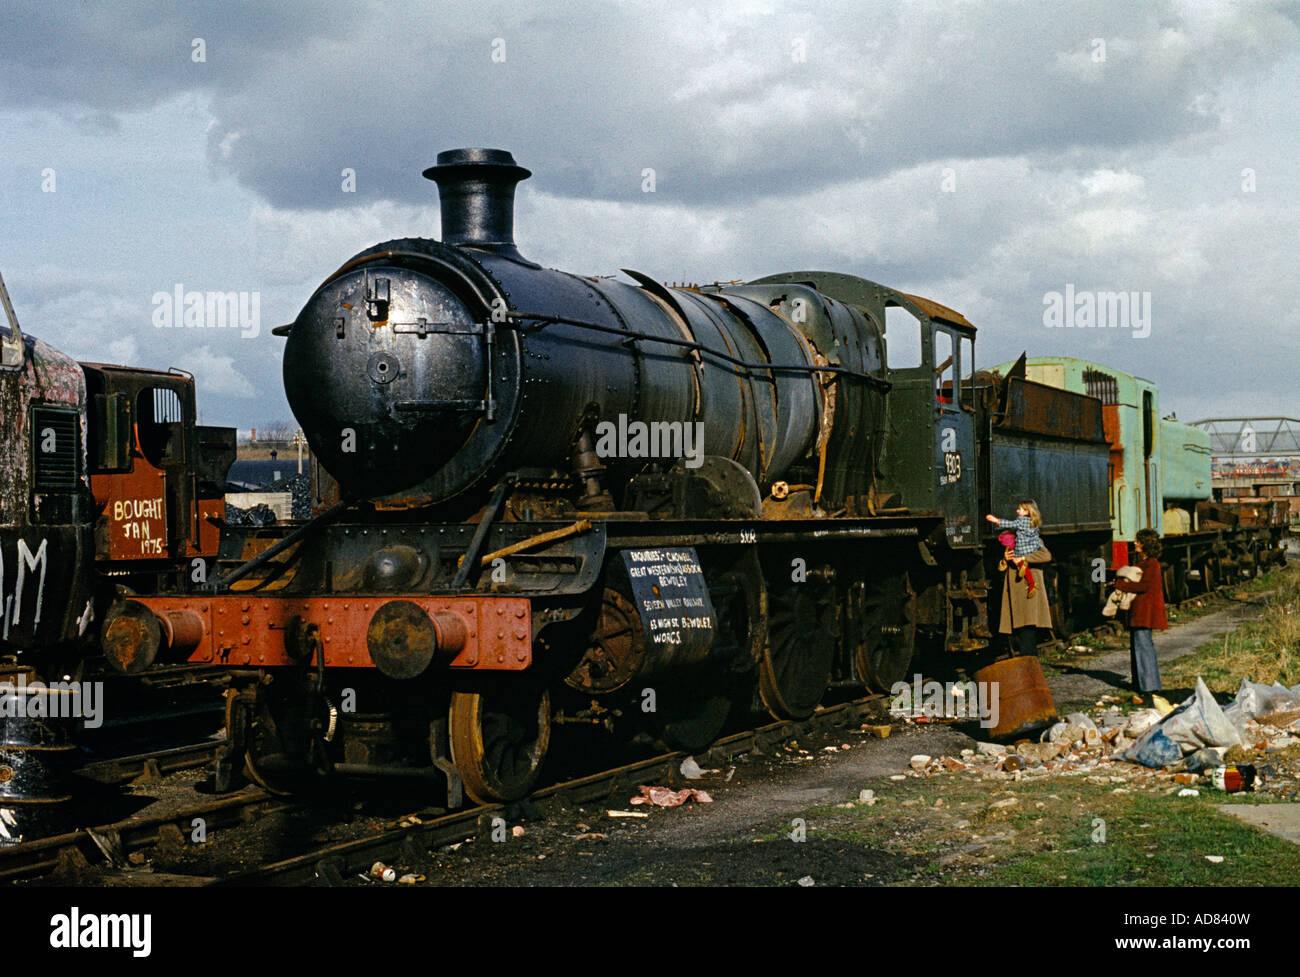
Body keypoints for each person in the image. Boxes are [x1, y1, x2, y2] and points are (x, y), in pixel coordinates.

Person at [985, 500, 1053, 657]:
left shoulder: (1033, 541)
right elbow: (1001, 568)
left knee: (1027, 632)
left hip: (1027, 592)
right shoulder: (1013, 543)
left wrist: (1024, 558)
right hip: (1015, 593)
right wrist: (1005, 559)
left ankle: (1030, 666)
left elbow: (1046, 555)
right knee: (1020, 632)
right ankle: (1027, 666)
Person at [1113, 528, 1168, 695]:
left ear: (1146, 544)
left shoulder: (1151, 564)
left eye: (1139, 541)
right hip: (1141, 611)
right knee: (1139, 647)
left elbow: (1145, 586)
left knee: (1143, 648)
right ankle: (1141, 684)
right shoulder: (1146, 563)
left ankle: (1149, 686)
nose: (1135, 543)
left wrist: (1121, 585)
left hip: (1146, 611)